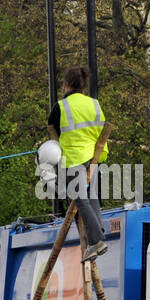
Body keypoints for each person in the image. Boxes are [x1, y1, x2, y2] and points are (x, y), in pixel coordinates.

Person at [47, 66, 112, 263]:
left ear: (67, 85)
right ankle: (98, 235)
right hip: (94, 156)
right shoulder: (95, 104)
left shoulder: (62, 106)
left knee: (80, 197)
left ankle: (97, 239)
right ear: (83, 86)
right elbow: (100, 128)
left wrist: (55, 146)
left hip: (73, 157)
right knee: (91, 197)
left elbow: (51, 127)